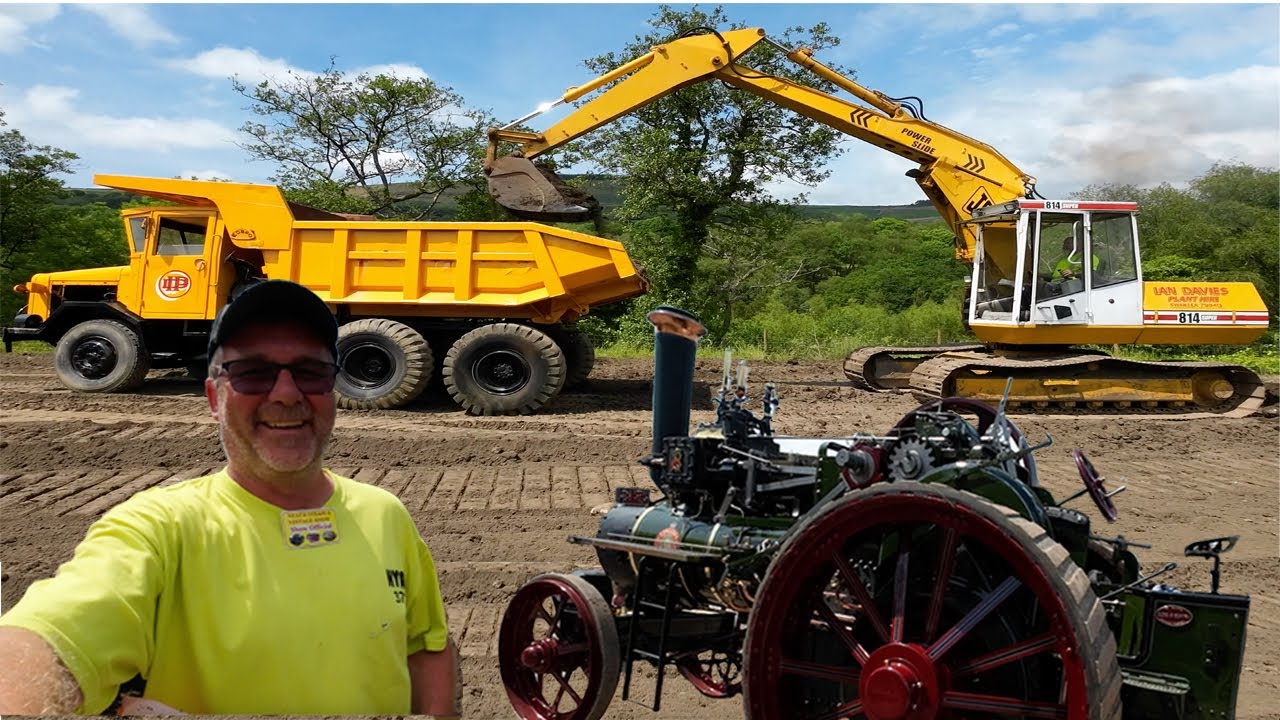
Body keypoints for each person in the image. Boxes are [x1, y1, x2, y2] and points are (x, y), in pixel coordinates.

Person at [0, 280, 460, 717]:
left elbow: (426, 646)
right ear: (213, 397)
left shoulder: (384, 513)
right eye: (253, 373)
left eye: (310, 372)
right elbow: (47, 638)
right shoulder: (158, 528)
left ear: (332, 391)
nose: (286, 393)